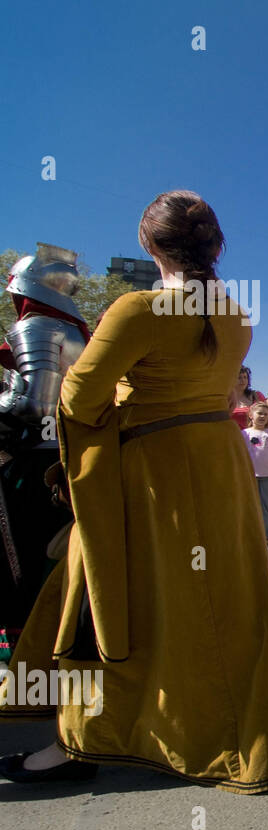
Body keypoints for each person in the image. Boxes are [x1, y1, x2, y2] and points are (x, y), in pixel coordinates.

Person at [0, 189, 268, 790]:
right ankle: (232, 731)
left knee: (108, 598)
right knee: (219, 606)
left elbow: (78, 398)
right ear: (214, 245)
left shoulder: (136, 309)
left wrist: (121, 399)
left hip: (151, 476)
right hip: (218, 466)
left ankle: (86, 741)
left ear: (149, 244)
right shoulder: (236, 315)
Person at [0, 244, 88, 653]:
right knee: (60, 553)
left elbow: (35, 404)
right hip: (71, 454)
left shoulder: (35, 327)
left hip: (35, 458)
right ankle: (62, 639)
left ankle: (26, 649)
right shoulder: (76, 331)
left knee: (23, 552)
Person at [243, 401, 268, 545]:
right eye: (259, 413)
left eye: (266, 414)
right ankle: (252, 534)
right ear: (251, 415)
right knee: (251, 506)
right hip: (249, 477)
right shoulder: (244, 434)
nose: (262, 416)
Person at [229, 365, 265, 430]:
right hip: (232, 436)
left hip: (253, 437)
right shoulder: (226, 398)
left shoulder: (256, 396)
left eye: (245, 377)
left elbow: (267, 416)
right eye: (239, 377)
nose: (243, 380)